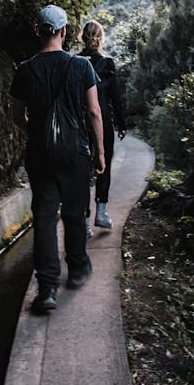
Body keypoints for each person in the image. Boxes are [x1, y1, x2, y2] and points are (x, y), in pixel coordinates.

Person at [10, 5, 107, 312]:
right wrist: (100, 151)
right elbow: (94, 112)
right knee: (75, 213)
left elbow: (15, 115)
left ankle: (47, 289)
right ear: (64, 32)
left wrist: (39, 131)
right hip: (76, 153)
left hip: (40, 156)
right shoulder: (81, 66)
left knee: (44, 218)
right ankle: (77, 269)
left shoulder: (25, 70)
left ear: (38, 31)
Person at [78, 20, 127, 235]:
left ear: (82, 37)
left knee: (82, 169)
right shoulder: (107, 63)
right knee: (103, 163)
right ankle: (102, 212)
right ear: (101, 37)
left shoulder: (74, 61)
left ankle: (84, 221)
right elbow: (115, 97)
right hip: (103, 121)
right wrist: (122, 123)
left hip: (80, 121)